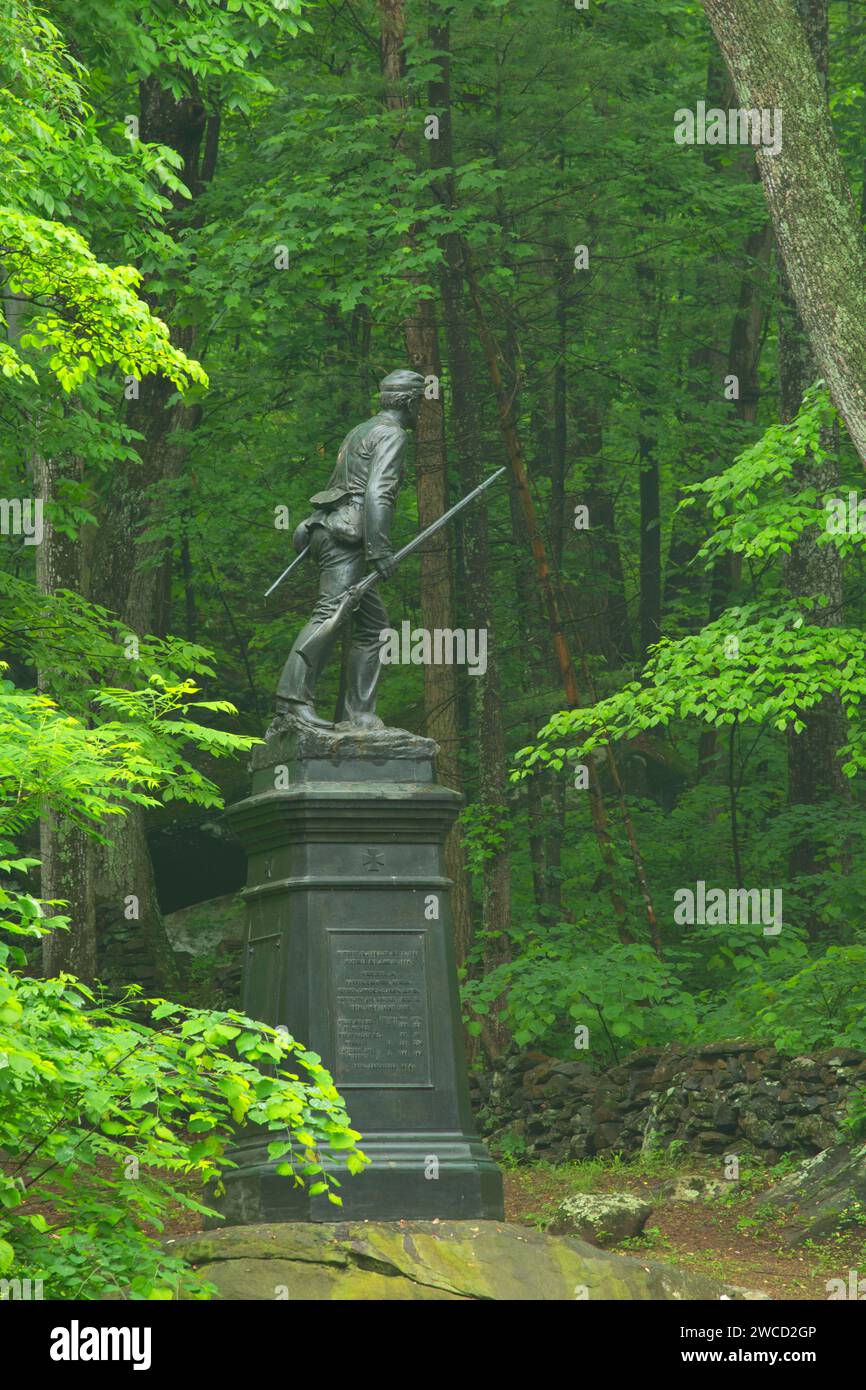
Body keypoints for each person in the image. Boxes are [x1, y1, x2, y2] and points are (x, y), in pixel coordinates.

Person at [275, 368, 425, 730]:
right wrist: (379, 549)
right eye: (419, 400)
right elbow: (378, 493)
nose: (422, 407)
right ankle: (291, 702)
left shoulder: (360, 430)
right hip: (348, 537)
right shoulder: (391, 434)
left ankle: (360, 715)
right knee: (329, 612)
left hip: (330, 528)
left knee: (373, 627)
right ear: (408, 401)